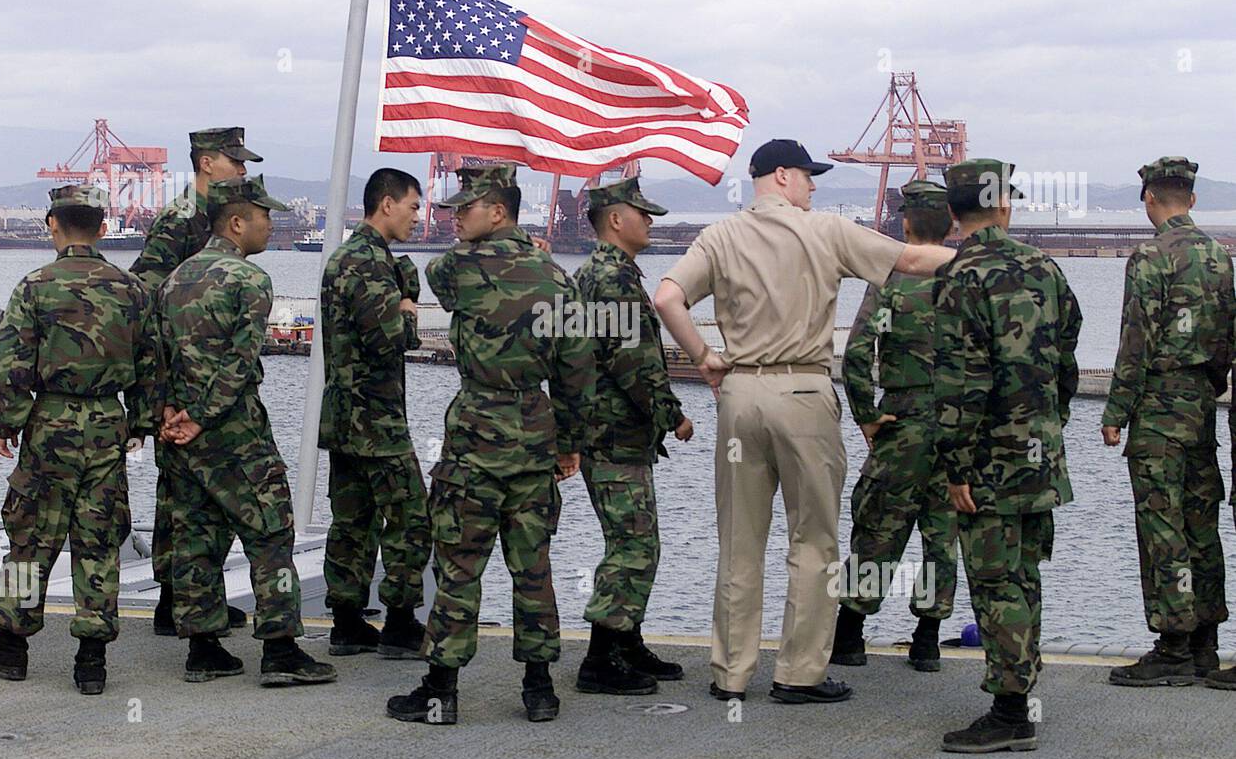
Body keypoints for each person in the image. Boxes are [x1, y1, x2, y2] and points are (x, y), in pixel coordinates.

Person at [654, 139, 954, 704]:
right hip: (803, 390)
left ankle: (731, 675)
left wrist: (704, 358)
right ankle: (797, 674)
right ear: (785, 176)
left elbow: (667, 298)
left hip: (740, 395)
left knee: (739, 542)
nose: (815, 186)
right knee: (813, 540)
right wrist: (983, 257)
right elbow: (913, 259)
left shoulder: (718, 236)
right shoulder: (825, 230)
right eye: (810, 177)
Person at [386, 165, 594, 724]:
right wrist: (570, 443)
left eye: (466, 209)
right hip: (534, 435)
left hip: (475, 437)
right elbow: (576, 372)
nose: (454, 218)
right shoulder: (557, 278)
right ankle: (539, 689)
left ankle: (441, 691)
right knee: (534, 566)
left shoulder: (456, 268)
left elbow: (434, 273)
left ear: (497, 211)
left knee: (458, 564)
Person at [0, 184, 159, 695]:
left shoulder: (35, 286)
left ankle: (11, 644)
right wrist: (140, 424)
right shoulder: (131, 289)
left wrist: (10, 421)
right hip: (107, 422)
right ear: (103, 228)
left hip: (50, 421)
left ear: (51, 224)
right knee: (98, 539)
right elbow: (151, 367)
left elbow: (8, 363)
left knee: (30, 537)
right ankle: (91, 659)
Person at [156, 175, 335, 687]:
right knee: (270, 530)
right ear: (237, 222)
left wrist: (168, 414)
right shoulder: (248, 281)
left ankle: (203, 648)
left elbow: (157, 358)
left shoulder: (175, 279)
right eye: (264, 217)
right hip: (233, 431)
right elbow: (239, 362)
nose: (271, 225)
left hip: (181, 434)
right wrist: (203, 416)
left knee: (195, 534)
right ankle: (280, 648)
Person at [934, 159, 1081, 753]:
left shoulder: (960, 277)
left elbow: (960, 384)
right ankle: (1020, 687)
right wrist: (1051, 417)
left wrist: (956, 466)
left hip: (988, 460)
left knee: (994, 582)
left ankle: (1010, 709)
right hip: (1040, 452)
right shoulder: (1044, 268)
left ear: (953, 212)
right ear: (1005, 206)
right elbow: (1067, 351)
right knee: (1024, 575)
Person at [1101, 157, 1232, 687]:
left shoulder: (1149, 255)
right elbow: (1227, 335)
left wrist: (1117, 411)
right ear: (1193, 200)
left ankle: (1172, 646)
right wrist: (1209, 384)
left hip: (1157, 406)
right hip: (1201, 406)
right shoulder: (1220, 257)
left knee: (1161, 523)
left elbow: (1137, 339)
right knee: (1202, 522)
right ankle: (1206, 642)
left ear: (1150, 199)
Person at [132, 127, 260, 636]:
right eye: (235, 161)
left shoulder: (213, 220)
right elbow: (146, 298)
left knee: (209, 499)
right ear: (208, 163)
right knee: (179, 496)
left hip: (208, 384)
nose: (243, 170)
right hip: (180, 383)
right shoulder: (182, 220)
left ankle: (196, 596)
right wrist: (155, 394)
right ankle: (173, 599)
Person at [831, 181, 959, 672]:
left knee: (880, 525)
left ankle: (851, 635)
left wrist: (866, 413)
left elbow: (859, 352)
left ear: (904, 224)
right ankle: (927, 638)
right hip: (953, 425)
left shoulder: (891, 279)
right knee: (941, 533)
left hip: (902, 421)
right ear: (949, 225)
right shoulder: (962, 278)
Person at [573, 176, 694, 696]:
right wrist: (673, 415)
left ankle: (626, 641)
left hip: (606, 432)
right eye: (641, 213)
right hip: (615, 433)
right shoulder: (615, 279)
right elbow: (633, 362)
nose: (650, 221)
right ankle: (601, 659)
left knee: (630, 539)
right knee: (634, 545)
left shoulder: (594, 273)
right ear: (615, 219)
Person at [318, 168, 431, 658]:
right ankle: (402, 622)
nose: (416, 216)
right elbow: (388, 337)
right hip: (375, 418)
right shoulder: (367, 262)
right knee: (409, 517)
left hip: (346, 415)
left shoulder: (347, 257)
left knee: (354, 519)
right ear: (386, 204)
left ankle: (346, 621)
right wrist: (409, 308)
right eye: (411, 206)